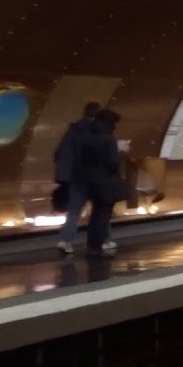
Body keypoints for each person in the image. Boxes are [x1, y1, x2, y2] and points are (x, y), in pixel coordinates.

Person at [53, 101, 102, 254]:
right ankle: (104, 240)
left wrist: (66, 175)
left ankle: (65, 239)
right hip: (93, 176)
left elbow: (59, 154)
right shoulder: (96, 130)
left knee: (74, 210)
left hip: (75, 177)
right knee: (101, 208)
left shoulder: (73, 130)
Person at [75, 108, 126, 256]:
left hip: (91, 181)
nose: (115, 126)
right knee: (104, 213)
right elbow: (112, 162)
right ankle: (98, 244)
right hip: (106, 181)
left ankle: (92, 243)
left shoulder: (86, 137)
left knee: (96, 213)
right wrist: (122, 153)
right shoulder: (108, 139)